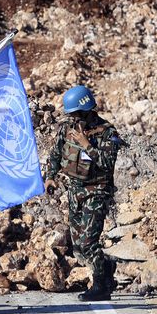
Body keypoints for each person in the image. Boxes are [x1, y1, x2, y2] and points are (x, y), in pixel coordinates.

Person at [44, 85, 123, 301]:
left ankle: (100, 286)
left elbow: (107, 163)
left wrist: (86, 144)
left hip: (97, 192)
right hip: (74, 191)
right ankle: (106, 267)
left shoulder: (107, 133)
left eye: (76, 114)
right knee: (78, 246)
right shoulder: (66, 128)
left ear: (87, 111)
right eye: (71, 115)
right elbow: (55, 154)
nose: (73, 119)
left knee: (89, 242)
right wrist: (51, 175)